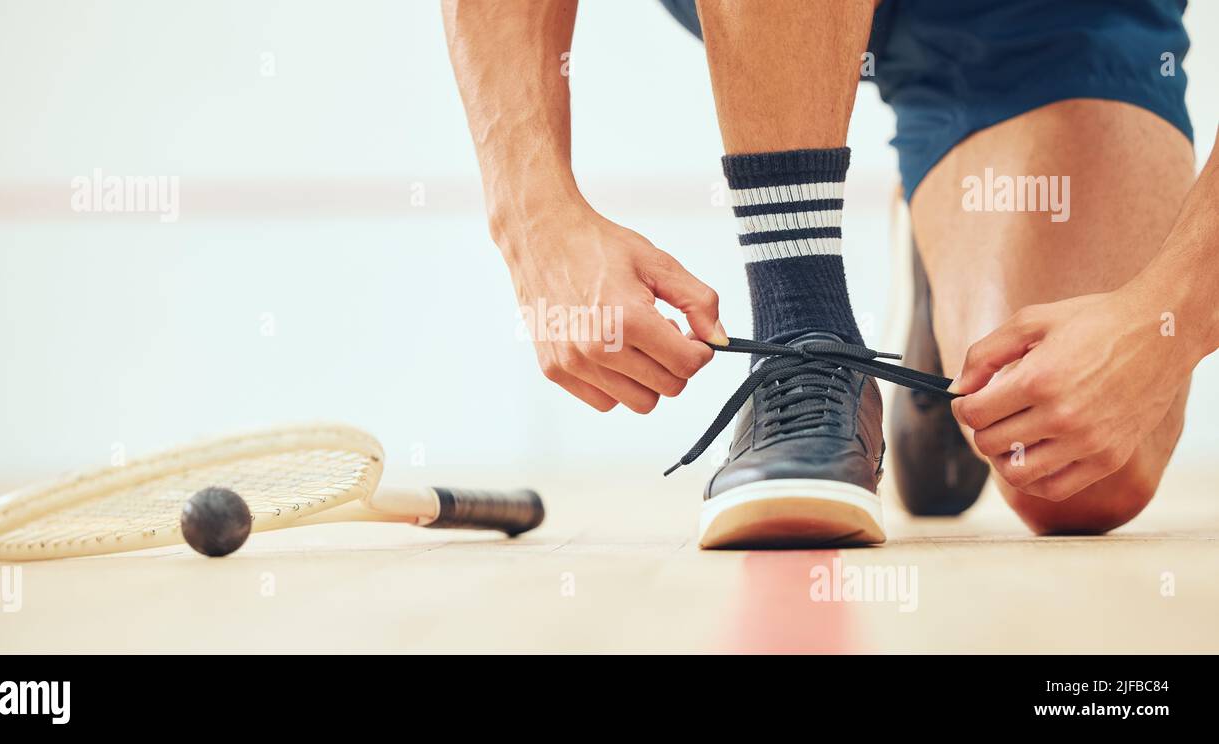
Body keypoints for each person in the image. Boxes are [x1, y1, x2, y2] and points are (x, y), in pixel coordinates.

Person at [442, 0, 1218, 547]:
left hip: (1033, 16)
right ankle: (801, 324)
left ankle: (935, 241)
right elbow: (531, 209)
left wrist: (1167, 318)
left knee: (1079, 479)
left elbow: (1161, 329)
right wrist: (534, 215)